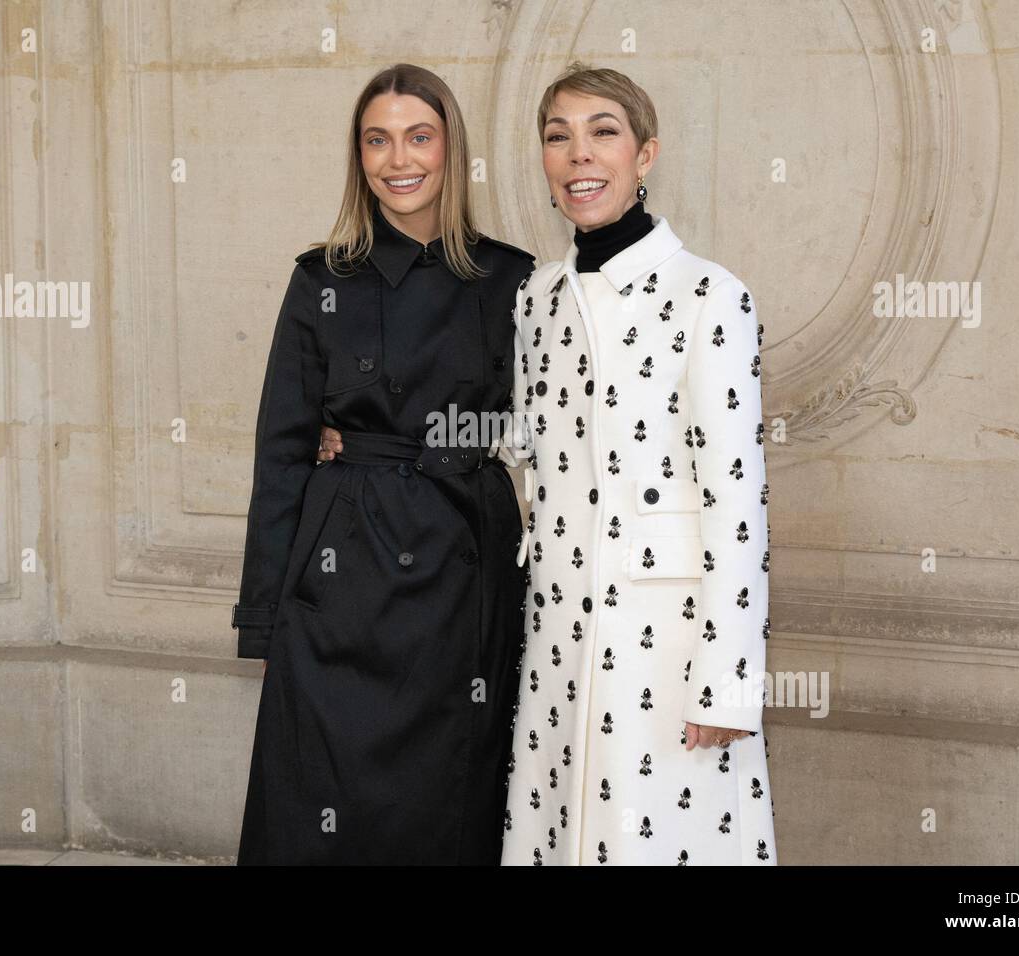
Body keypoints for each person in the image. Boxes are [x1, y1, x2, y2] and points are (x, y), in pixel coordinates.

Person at [324, 61, 778, 865]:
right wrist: (366, 435)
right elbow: (517, 434)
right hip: (557, 621)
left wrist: (729, 677)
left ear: (645, 156)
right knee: (558, 834)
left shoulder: (710, 294)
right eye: (558, 137)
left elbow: (738, 497)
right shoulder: (537, 295)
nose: (579, 156)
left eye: (603, 133)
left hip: (665, 637)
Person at [234, 63, 534, 865]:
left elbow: (539, 426)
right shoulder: (319, 279)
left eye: (418, 136)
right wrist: (263, 611)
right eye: (377, 139)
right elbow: (282, 450)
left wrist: (441, 442)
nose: (398, 158)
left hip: (464, 566)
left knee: (452, 794)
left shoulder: (514, 278)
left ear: (450, 150)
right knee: (324, 792)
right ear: (358, 157)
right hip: (342, 573)